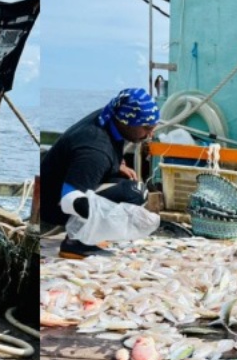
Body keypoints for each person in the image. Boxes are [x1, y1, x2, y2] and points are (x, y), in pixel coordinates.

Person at [39, 88, 158, 258]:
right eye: (146, 128)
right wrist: (121, 219)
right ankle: (76, 242)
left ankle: (89, 233)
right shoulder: (96, 150)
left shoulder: (108, 116)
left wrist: (117, 165)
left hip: (57, 181)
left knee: (127, 183)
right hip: (52, 206)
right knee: (135, 192)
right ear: (126, 122)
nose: (150, 135)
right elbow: (68, 200)